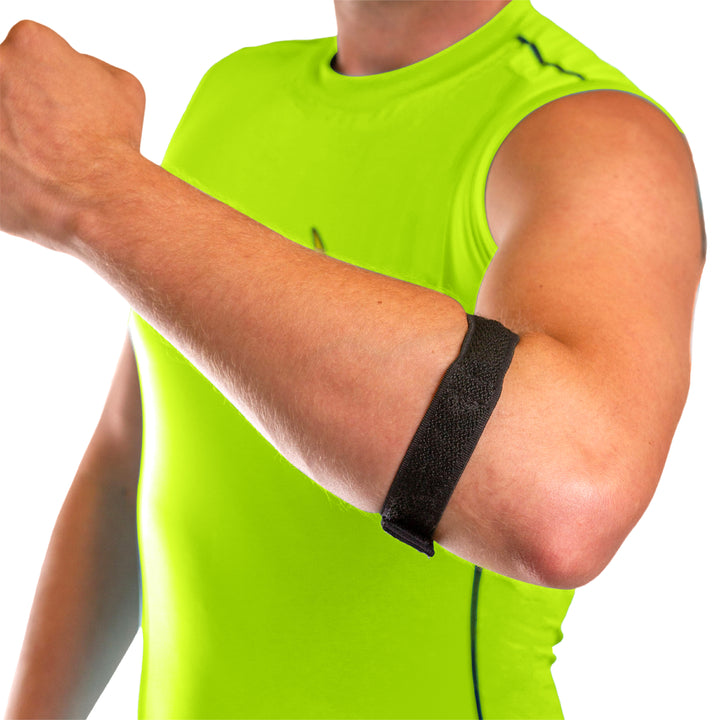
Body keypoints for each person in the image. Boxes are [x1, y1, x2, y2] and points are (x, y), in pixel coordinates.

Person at [1, 0, 706, 718]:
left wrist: (99, 189)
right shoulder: (232, 90)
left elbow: (564, 504)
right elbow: (129, 458)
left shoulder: (596, 135)